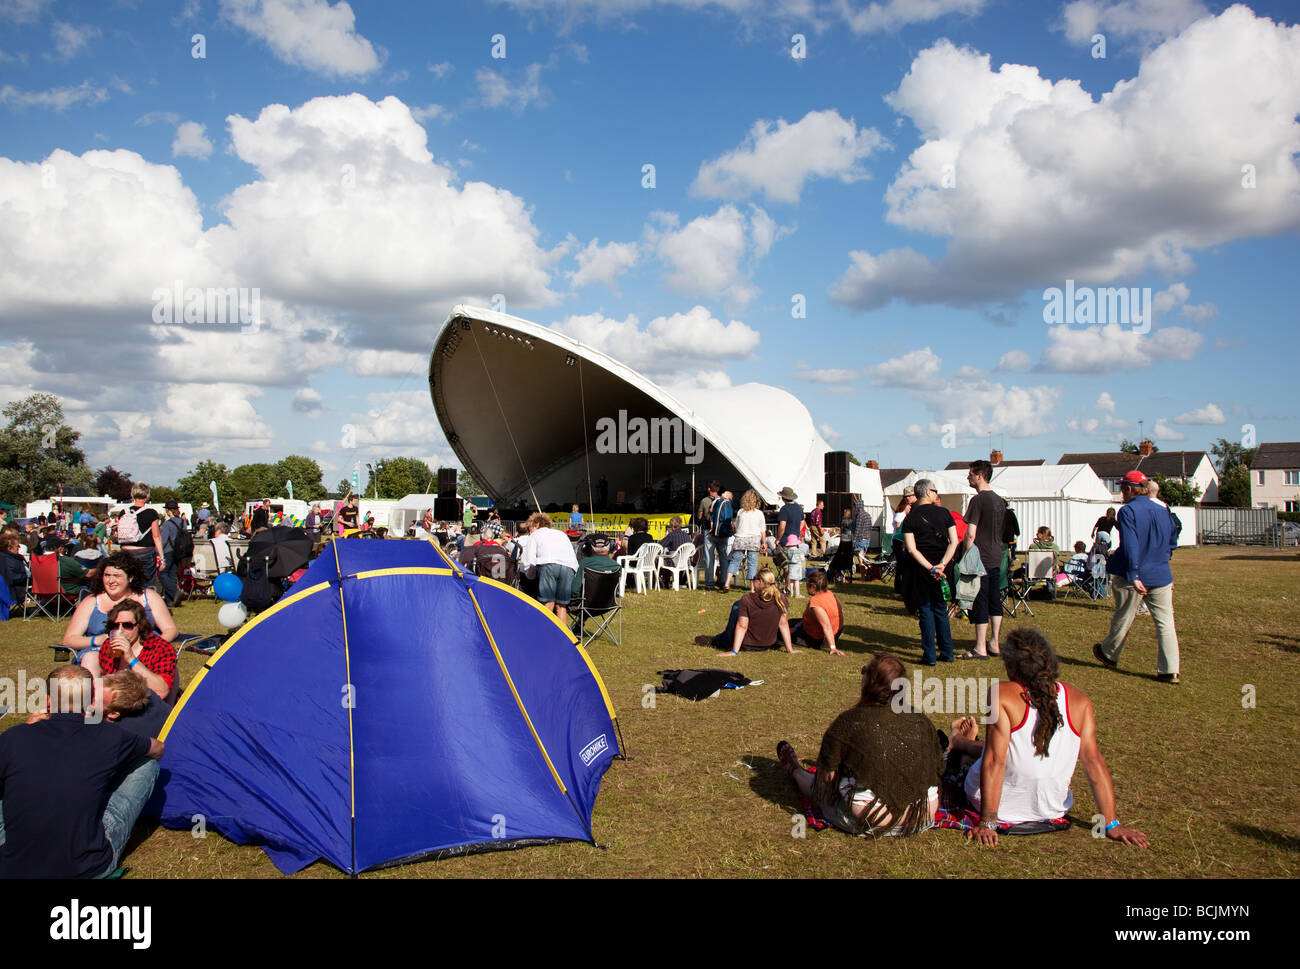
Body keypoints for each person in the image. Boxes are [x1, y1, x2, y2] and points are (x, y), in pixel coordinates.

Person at [960, 628, 1149, 847]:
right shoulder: (1080, 701)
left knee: (981, 756)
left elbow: (995, 761)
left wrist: (988, 822)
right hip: (1051, 808)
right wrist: (1111, 824)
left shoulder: (1001, 694)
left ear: (1011, 666)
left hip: (1000, 808)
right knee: (1002, 747)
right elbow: (1093, 762)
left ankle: (960, 746)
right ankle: (962, 742)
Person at [0, 665, 165, 878]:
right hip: (86, 867)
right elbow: (158, 748)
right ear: (90, 701)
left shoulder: (14, 737)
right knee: (147, 765)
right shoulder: (111, 736)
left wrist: (26, 730)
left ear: (48, 700)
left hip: (13, 865)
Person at [776, 654, 941, 837]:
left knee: (822, 789)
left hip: (868, 821)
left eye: (864, 671)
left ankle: (797, 772)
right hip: (920, 818)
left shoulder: (849, 722)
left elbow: (827, 775)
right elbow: (938, 767)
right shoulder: (921, 721)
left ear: (869, 682)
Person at [1093, 469, 1181, 683]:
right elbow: (1173, 539)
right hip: (1161, 573)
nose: (1122, 493)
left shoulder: (1127, 511)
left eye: (1123, 489)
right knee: (1165, 623)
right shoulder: (1162, 509)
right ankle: (1170, 670)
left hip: (1133, 573)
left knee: (1124, 615)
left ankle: (1109, 652)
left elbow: (1130, 544)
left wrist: (1134, 574)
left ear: (1129, 489)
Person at [63, 550, 178, 655]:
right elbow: (69, 639)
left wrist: (151, 647)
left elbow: (170, 630)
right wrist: (96, 640)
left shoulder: (149, 597)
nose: (111, 581)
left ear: (130, 578)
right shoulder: (92, 601)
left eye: (117, 576)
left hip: (144, 651)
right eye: (107, 575)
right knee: (90, 658)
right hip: (101, 652)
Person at [901, 478, 959, 665]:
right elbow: (954, 541)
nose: (936, 493)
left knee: (925, 610)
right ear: (927, 492)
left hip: (921, 569)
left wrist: (930, 567)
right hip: (943, 566)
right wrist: (942, 564)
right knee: (941, 609)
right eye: (934, 490)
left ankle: (930, 655)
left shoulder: (911, 517)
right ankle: (947, 652)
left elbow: (911, 548)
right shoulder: (945, 513)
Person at [84, 599, 177, 701]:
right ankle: (89, 712)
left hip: (147, 705)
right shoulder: (108, 646)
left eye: (127, 625)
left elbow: (162, 691)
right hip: (115, 705)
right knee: (89, 658)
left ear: (140, 625)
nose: (120, 630)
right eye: (115, 626)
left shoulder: (160, 648)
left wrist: (131, 659)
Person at [960, 459, 1007, 659]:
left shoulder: (978, 501)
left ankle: (980, 647)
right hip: (997, 555)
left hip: (980, 557)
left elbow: (971, 533)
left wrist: (965, 554)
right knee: (995, 599)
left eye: (970, 473)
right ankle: (994, 643)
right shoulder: (999, 500)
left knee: (980, 599)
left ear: (979, 476)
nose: (967, 477)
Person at [709, 567, 799, 654]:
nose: (752, 581)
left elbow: (742, 626)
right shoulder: (780, 599)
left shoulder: (747, 599)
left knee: (737, 605)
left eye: (754, 579)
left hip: (747, 644)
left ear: (760, 582)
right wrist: (790, 649)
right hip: (768, 644)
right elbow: (783, 624)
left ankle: (721, 640)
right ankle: (720, 638)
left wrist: (734, 651)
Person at [518, 512, 579, 624]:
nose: (529, 531)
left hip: (548, 565)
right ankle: (562, 639)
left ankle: (543, 635)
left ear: (536, 525)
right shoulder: (561, 534)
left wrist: (531, 577)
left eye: (530, 528)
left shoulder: (535, 535)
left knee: (548, 603)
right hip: (568, 566)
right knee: (561, 606)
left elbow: (529, 561)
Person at [115, 483, 165, 591]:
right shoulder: (151, 513)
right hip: (144, 552)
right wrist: (162, 557)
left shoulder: (124, 512)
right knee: (146, 584)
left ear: (132, 495)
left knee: (127, 582)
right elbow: (156, 536)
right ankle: (145, 605)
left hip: (126, 551)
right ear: (147, 496)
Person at [792, 569, 845, 654]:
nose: (806, 587)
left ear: (813, 587)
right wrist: (797, 626)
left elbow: (826, 625)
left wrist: (833, 648)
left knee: (781, 631)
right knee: (791, 623)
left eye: (807, 585)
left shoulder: (816, 603)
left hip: (818, 638)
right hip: (834, 633)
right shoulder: (829, 593)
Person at [723, 490, 766, 593]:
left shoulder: (740, 512)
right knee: (752, 563)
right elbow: (762, 529)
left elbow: (736, 526)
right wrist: (764, 542)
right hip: (754, 539)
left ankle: (727, 583)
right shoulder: (759, 513)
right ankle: (752, 588)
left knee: (734, 561)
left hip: (740, 538)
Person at [775, 486, 805, 597]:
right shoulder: (798, 508)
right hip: (795, 540)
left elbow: (782, 526)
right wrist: (798, 533)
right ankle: (791, 588)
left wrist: (778, 539)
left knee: (786, 565)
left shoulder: (784, 509)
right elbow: (802, 523)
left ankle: (787, 587)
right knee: (794, 564)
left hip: (785, 540)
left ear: (783, 498)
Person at [158, 500, 188, 607]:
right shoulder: (182, 522)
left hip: (168, 551)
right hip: (179, 551)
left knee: (162, 574)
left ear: (168, 511)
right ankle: (170, 600)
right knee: (172, 574)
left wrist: (158, 552)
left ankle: (175, 592)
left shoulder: (167, 524)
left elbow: (163, 540)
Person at [704, 483, 732, 591]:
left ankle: (709, 582)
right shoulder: (728, 503)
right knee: (723, 557)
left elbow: (709, 513)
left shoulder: (712, 501)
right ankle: (723, 580)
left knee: (709, 557)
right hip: (723, 533)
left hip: (711, 532)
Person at [0, 531, 27, 606]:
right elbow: (11, 577)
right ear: (9, 548)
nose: (19, 547)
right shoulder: (12, 559)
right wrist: (27, 577)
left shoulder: (4, 557)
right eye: (17, 546)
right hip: (13, 591)